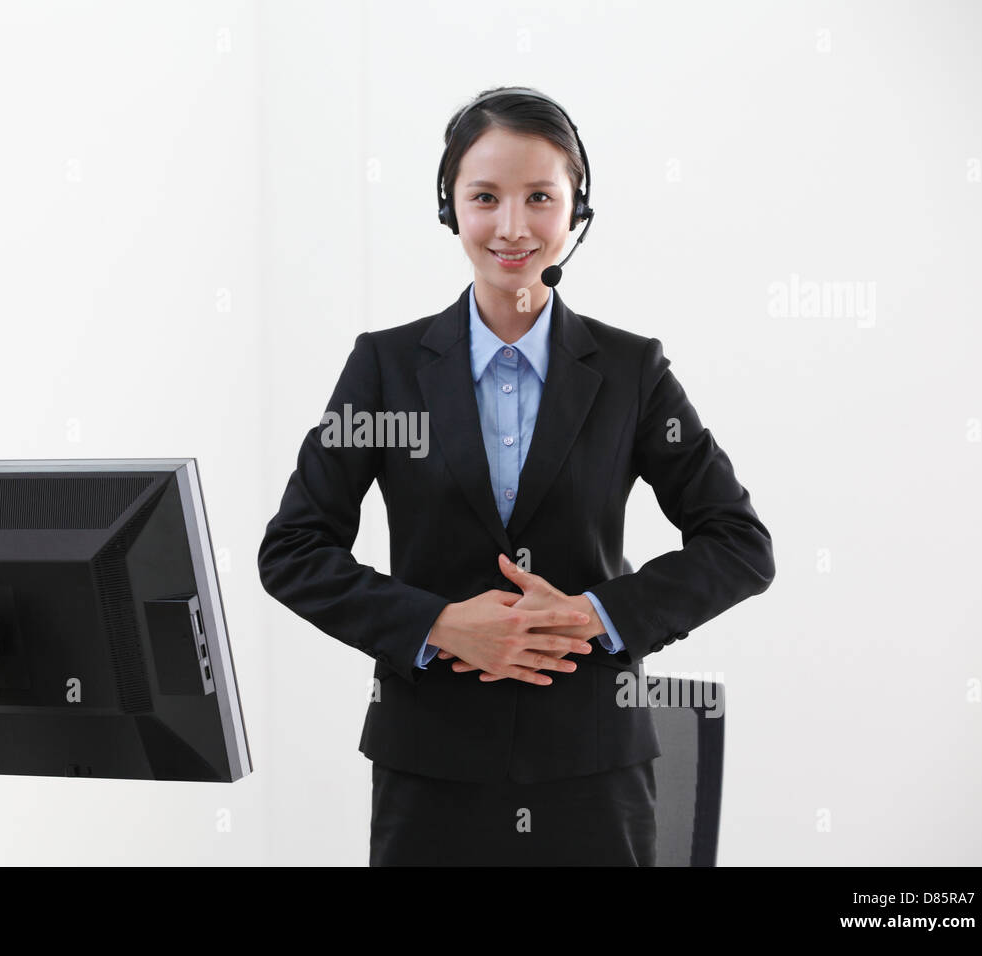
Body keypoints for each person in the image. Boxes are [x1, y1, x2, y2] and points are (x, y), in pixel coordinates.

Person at [258, 86, 775, 866]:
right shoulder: (386, 368)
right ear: (450, 209)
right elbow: (293, 549)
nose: (512, 227)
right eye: (485, 197)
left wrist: (596, 615)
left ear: (576, 211)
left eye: (540, 197)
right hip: (431, 769)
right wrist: (434, 625)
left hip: (593, 771)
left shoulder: (632, 371)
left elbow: (739, 544)